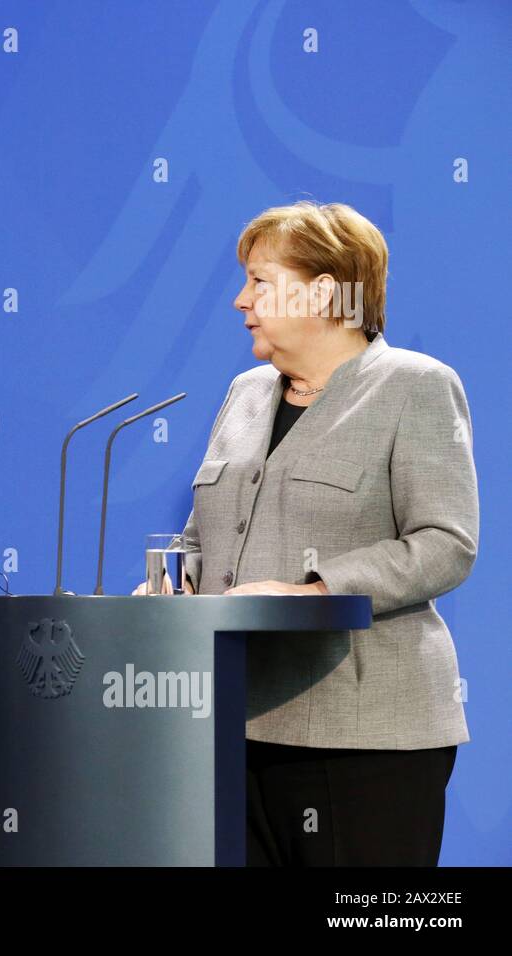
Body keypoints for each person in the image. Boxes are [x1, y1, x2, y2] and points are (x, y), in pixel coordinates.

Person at [171, 201, 478, 865]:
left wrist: (317, 590)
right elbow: (202, 537)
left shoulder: (417, 387)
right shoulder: (245, 393)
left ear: (322, 291)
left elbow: (445, 543)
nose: (239, 300)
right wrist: (172, 586)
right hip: (231, 732)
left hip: (367, 737)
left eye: (258, 280)